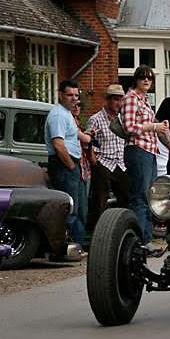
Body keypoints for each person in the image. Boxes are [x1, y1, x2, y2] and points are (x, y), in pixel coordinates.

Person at [121, 65, 170, 248]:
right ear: (136, 80)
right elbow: (129, 127)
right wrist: (153, 127)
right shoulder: (131, 98)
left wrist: (160, 126)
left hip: (150, 150)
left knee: (148, 196)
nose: (147, 80)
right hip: (138, 150)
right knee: (139, 196)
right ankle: (139, 239)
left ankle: (147, 237)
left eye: (150, 78)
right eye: (143, 77)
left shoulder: (145, 100)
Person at [44, 79, 85, 257]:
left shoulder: (67, 113)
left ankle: (75, 248)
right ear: (60, 95)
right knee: (68, 209)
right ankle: (63, 250)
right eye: (69, 95)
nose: (74, 99)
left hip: (71, 166)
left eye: (76, 95)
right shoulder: (59, 115)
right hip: (63, 166)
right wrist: (70, 165)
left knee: (76, 209)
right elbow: (58, 144)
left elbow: (76, 136)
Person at [85, 84, 130, 232]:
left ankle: (122, 230)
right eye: (115, 100)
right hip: (103, 162)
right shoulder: (96, 119)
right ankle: (101, 232)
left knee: (125, 197)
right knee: (100, 200)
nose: (118, 103)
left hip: (120, 163)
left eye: (120, 100)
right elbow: (88, 141)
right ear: (108, 100)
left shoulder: (122, 119)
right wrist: (94, 161)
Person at [72, 101, 93, 248]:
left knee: (82, 210)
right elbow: (85, 139)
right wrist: (88, 138)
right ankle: (75, 244)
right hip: (75, 167)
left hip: (84, 168)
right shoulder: (69, 121)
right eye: (75, 105)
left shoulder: (77, 122)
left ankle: (79, 242)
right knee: (75, 209)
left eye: (80, 104)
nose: (77, 107)